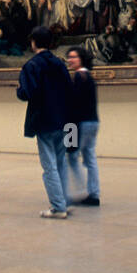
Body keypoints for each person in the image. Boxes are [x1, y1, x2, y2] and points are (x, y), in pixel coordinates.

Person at [16, 24, 74, 218]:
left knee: (49, 166)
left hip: (43, 120)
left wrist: (18, 90)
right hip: (62, 118)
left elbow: (27, 93)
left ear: (33, 43)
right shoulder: (59, 63)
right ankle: (63, 201)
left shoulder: (31, 66)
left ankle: (58, 207)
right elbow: (68, 89)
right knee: (60, 163)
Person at [65, 46, 100, 206]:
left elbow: (74, 104)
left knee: (72, 157)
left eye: (74, 57)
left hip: (79, 124)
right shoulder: (88, 76)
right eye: (69, 57)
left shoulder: (80, 76)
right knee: (90, 158)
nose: (70, 60)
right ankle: (93, 193)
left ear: (81, 59)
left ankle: (80, 192)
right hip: (93, 122)